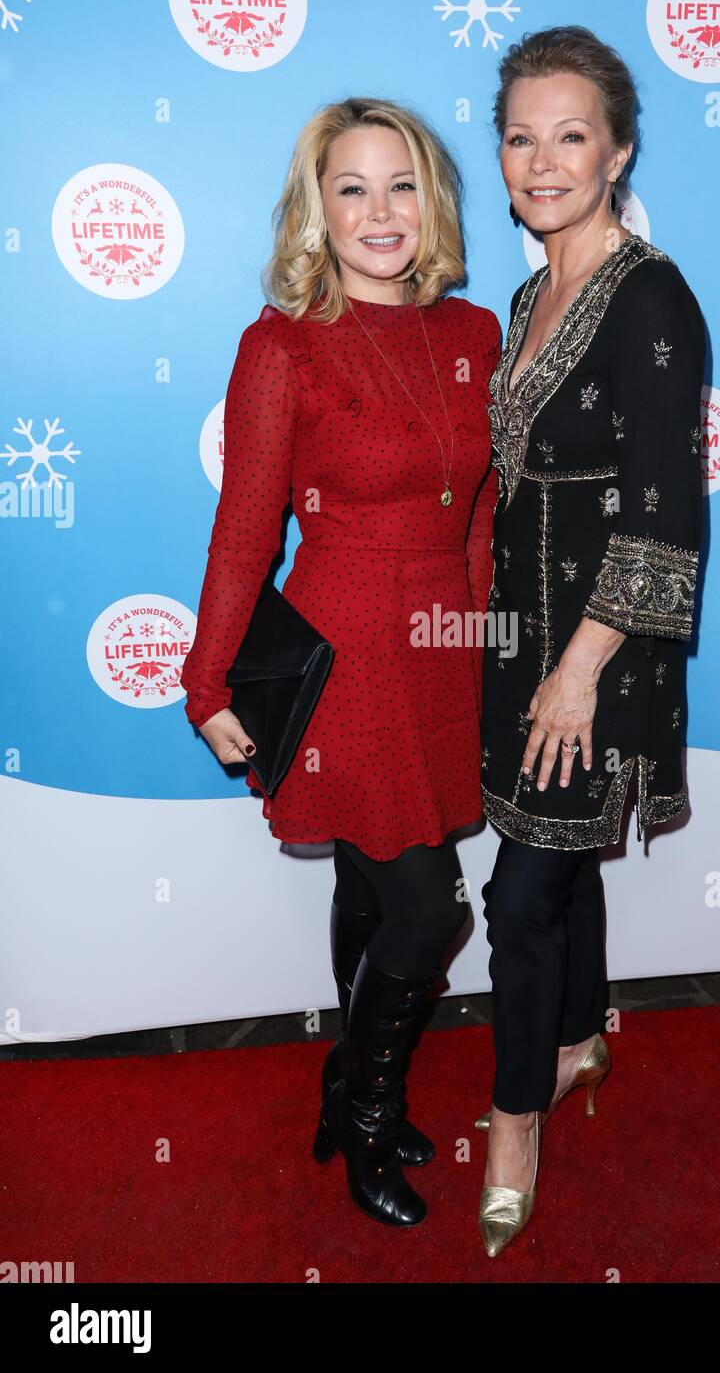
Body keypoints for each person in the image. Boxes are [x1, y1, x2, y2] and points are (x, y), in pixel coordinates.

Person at [179, 98, 501, 1229]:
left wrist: (488, 646)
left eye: (401, 184)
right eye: (351, 187)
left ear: (434, 201)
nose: (379, 211)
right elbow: (245, 530)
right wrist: (204, 680)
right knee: (426, 908)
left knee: (371, 883)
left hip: (440, 653)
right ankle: (362, 1114)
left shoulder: (471, 337)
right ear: (316, 207)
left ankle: (352, 1095)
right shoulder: (281, 347)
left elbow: (477, 520)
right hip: (345, 654)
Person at [475, 26, 707, 1256]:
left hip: (600, 656)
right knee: (560, 866)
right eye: (521, 136)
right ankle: (577, 1041)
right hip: (524, 636)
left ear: (617, 152)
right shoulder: (529, 291)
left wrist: (577, 671)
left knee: (520, 889)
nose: (544, 158)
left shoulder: (651, 296)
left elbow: (666, 514)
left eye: (572, 135)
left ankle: (515, 1119)